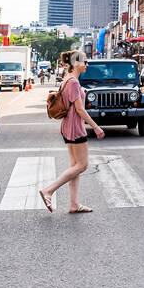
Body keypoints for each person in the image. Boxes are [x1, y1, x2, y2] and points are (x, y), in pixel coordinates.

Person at [39, 50, 105, 213]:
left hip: (67, 126)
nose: (87, 65)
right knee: (82, 165)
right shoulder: (74, 83)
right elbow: (80, 110)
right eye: (84, 62)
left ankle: (74, 204)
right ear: (76, 63)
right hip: (75, 127)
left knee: (75, 166)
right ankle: (49, 190)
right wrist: (96, 127)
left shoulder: (67, 80)